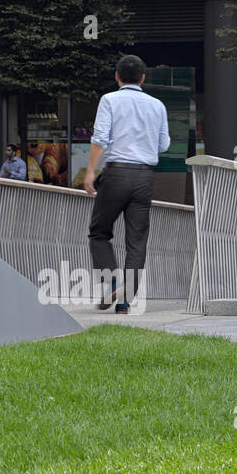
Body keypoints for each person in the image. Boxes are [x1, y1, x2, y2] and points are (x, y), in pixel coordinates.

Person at [83, 54, 170, 314]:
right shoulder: (157, 105)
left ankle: (111, 282)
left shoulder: (109, 100)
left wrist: (90, 173)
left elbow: (100, 139)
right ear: (143, 78)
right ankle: (124, 303)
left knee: (99, 232)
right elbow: (163, 145)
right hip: (144, 177)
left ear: (117, 76)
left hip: (117, 174)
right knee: (137, 241)